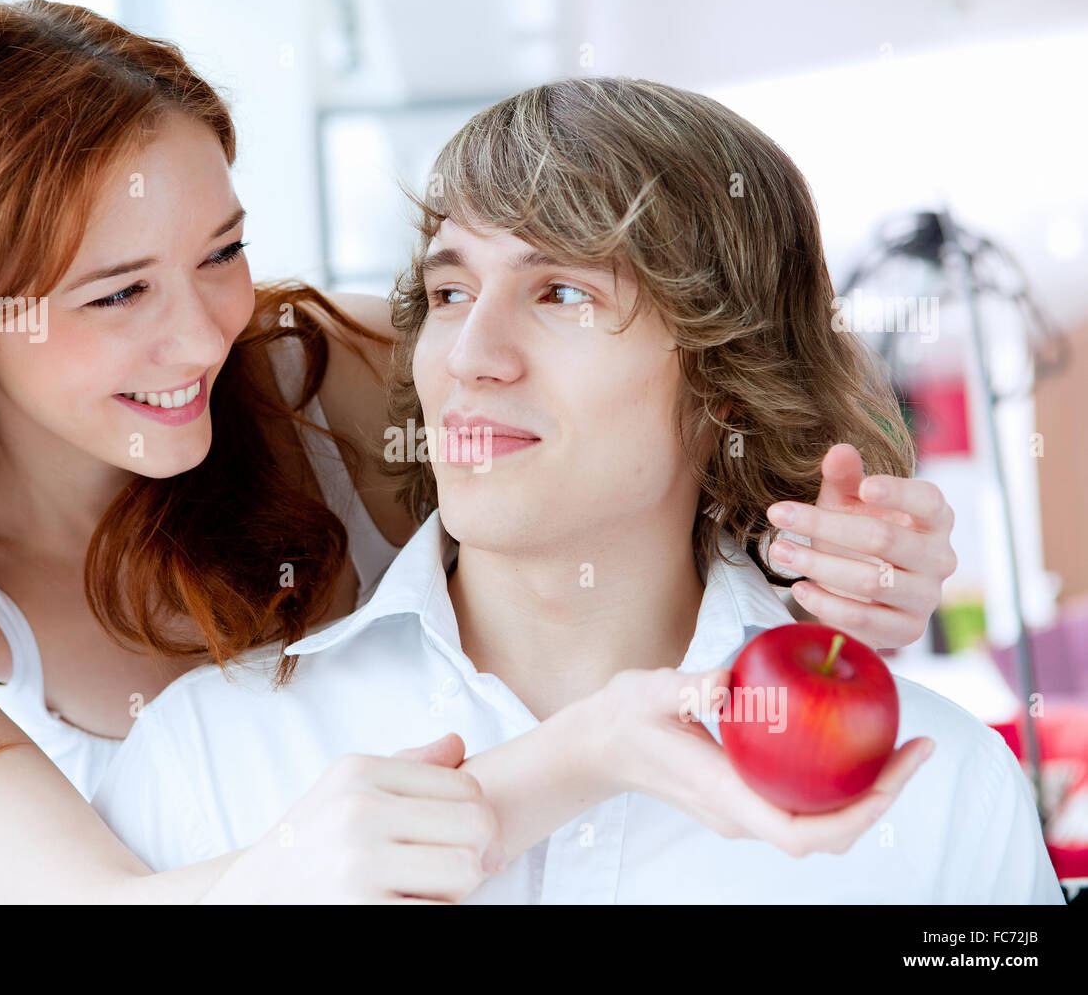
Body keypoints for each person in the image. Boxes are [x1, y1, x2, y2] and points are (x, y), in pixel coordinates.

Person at [0, 2, 957, 904]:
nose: (201, 332)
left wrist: (857, 525)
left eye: (221, 250)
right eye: (117, 293)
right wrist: (583, 755)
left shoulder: (304, 369)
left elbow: (676, 367)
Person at [91, 77, 1063, 903]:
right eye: (448, 293)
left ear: (725, 383)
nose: (471, 358)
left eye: (562, 293)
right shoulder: (211, 755)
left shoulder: (935, 791)